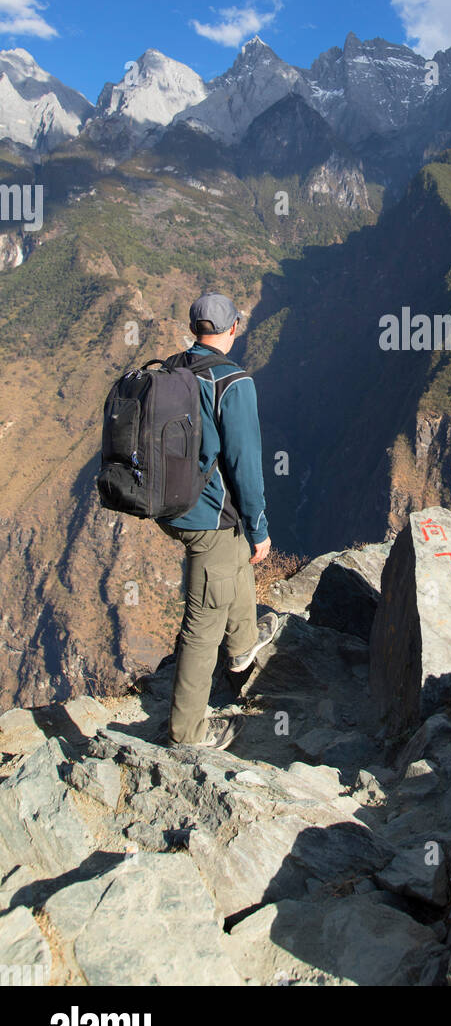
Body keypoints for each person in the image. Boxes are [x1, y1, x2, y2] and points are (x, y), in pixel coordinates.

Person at [158, 291, 278, 750]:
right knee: (201, 623)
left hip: (171, 506)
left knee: (232, 553)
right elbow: (246, 464)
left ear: (194, 329)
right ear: (234, 329)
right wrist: (260, 526)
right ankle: (187, 735)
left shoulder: (172, 368)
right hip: (207, 514)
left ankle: (244, 643)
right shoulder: (233, 381)